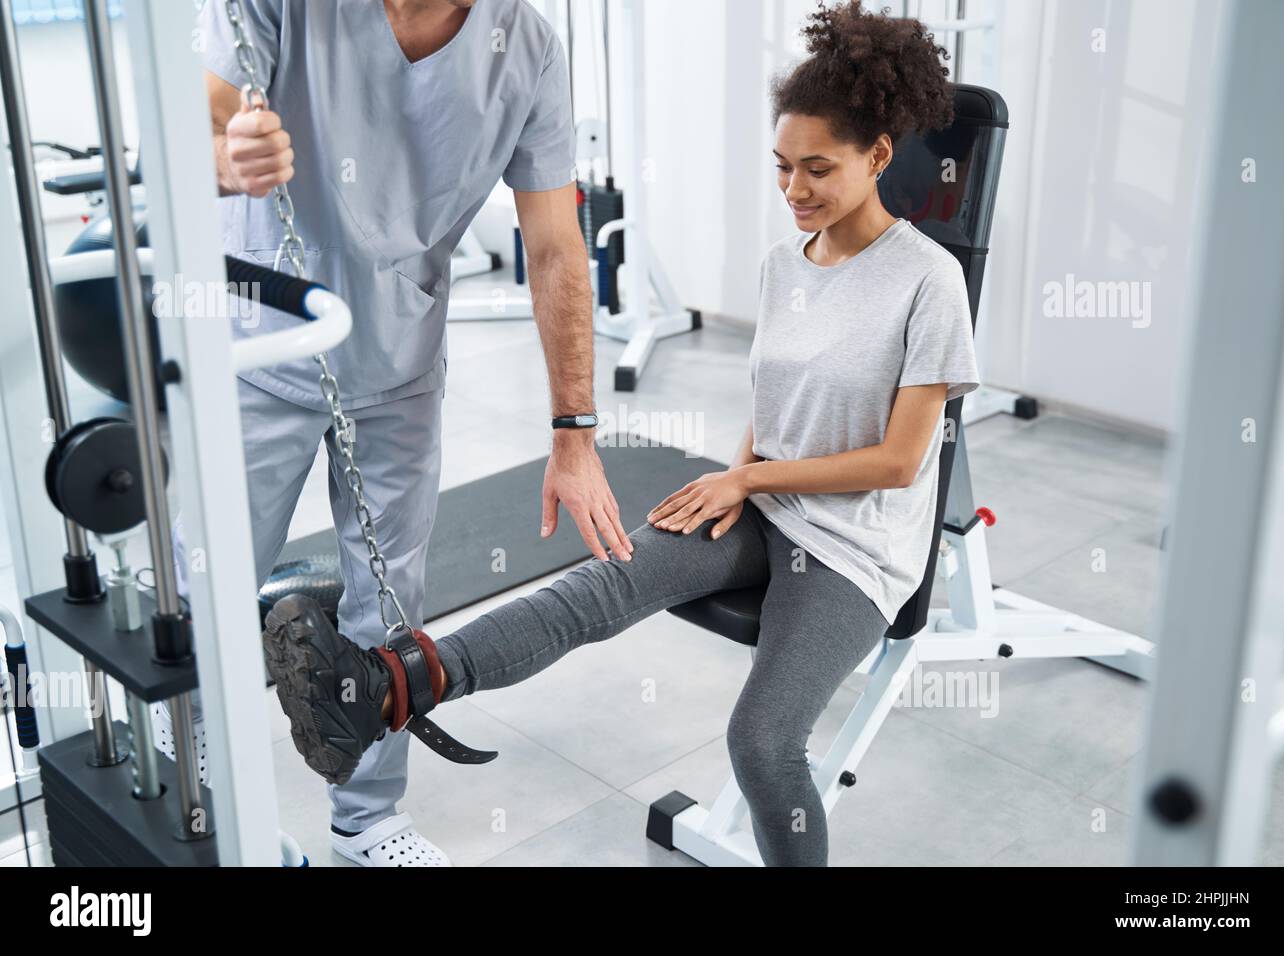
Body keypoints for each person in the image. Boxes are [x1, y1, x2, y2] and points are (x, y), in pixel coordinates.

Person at [264, 1, 980, 867]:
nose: (794, 190)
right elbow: (775, 403)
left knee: (762, 743)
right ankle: (384, 687)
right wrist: (741, 476)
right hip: (765, 508)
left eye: (818, 169)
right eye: (783, 167)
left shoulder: (928, 281)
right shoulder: (785, 265)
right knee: (600, 588)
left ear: (879, 157)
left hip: (855, 552)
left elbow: (901, 463)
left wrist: (746, 480)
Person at [160, 0, 634, 868]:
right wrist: (227, 156)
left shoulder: (526, 49)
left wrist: (574, 431)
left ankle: (367, 816)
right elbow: (204, 109)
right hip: (264, 341)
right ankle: (186, 759)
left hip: (399, 356)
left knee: (389, 604)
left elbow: (555, 245)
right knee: (209, 578)